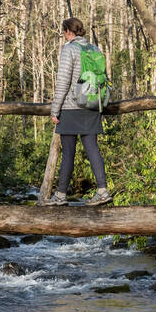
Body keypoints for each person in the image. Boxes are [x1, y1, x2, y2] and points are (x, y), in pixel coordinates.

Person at [43, 17, 112, 206]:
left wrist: (54, 110)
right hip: (92, 105)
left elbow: (63, 81)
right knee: (92, 148)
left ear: (68, 32)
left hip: (71, 107)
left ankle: (61, 195)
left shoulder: (69, 49)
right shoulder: (94, 49)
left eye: (63, 32)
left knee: (68, 153)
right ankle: (103, 191)